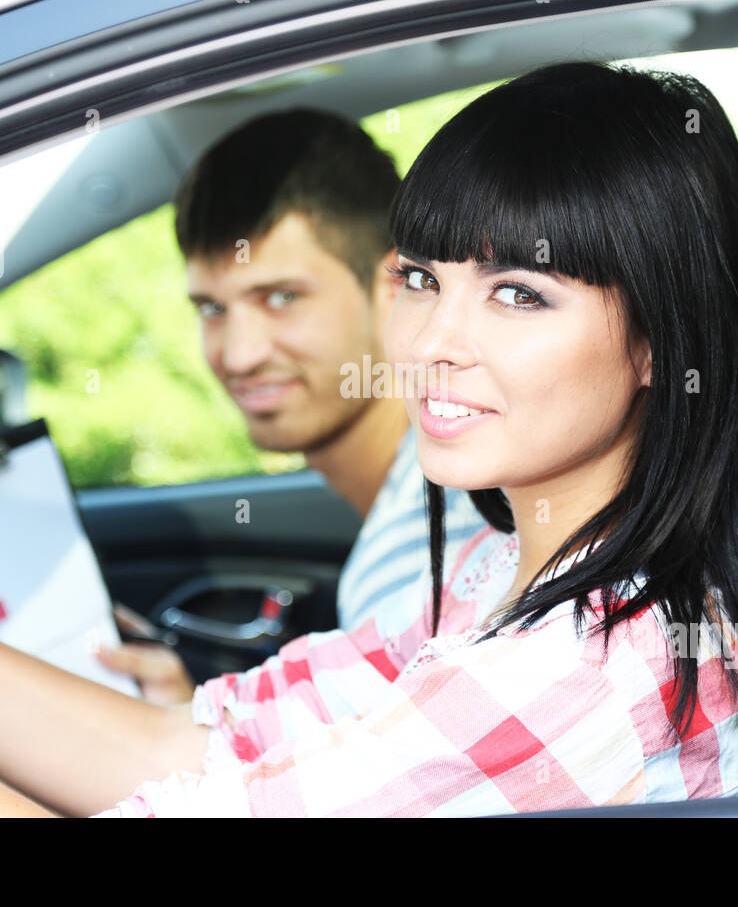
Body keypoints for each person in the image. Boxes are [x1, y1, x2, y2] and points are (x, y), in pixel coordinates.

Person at [0, 60, 738, 816]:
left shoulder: (585, 670)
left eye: (518, 295)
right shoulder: (515, 577)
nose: (433, 342)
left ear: (657, 342)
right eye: (419, 279)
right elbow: (184, 750)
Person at [95, 109, 487, 702]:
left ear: (396, 286)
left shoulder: (421, 556)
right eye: (211, 309)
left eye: (281, 297)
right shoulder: (426, 502)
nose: (240, 354)